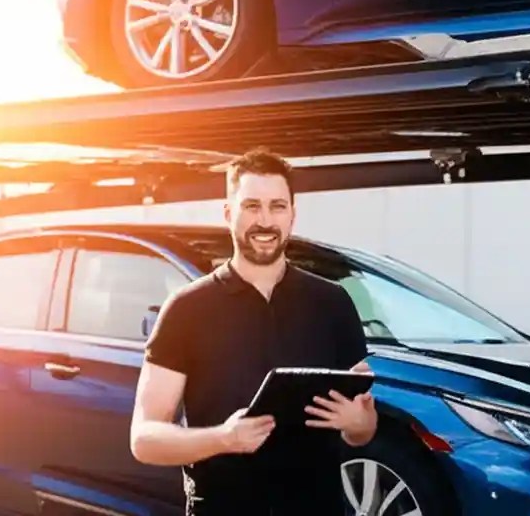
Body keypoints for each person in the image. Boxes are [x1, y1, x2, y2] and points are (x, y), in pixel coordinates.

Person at [130, 148, 377, 515]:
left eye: (277, 207)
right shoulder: (187, 308)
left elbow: (363, 429)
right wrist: (223, 439)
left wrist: (358, 423)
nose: (265, 221)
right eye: (251, 206)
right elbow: (144, 438)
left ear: (292, 214)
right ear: (228, 213)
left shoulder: (332, 303)